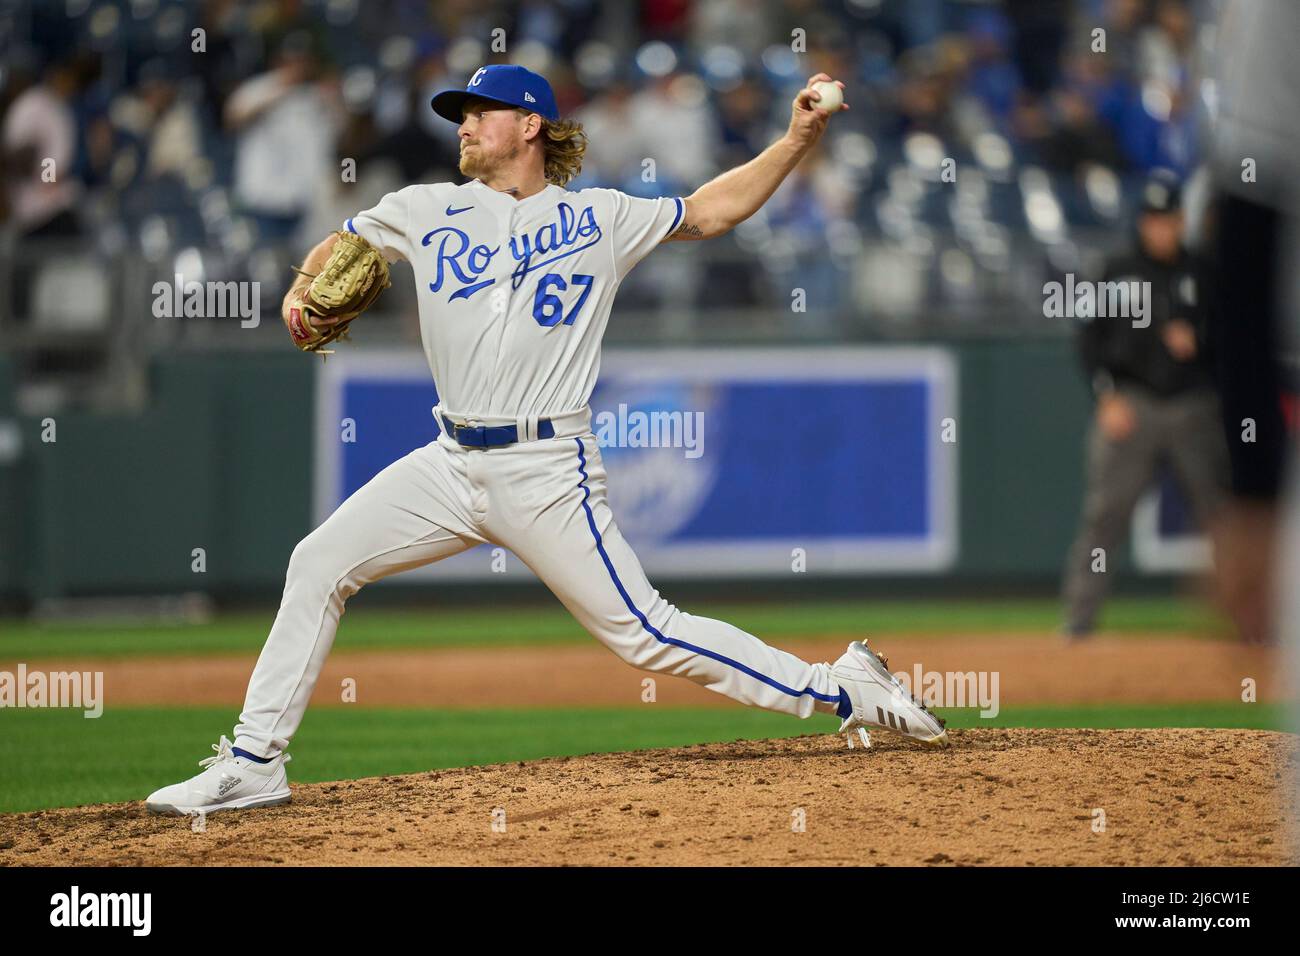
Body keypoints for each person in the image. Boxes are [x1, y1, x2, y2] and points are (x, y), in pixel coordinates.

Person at [145, 64, 948, 815]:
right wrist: (299, 288)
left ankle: (845, 688)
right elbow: (344, 247)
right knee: (317, 562)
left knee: (648, 635)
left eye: (477, 113)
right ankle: (255, 762)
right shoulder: (425, 206)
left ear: (529, 125)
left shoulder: (597, 217)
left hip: (546, 468)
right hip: (450, 460)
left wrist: (798, 138)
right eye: (458, 115)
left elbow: (713, 210)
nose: (462, 125)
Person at [1061, 170, 1228, 638]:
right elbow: (1088, 340)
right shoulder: (1117, 271)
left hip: (1192, 406)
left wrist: (1201, 340)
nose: (1160, 228)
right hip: (1131, 405)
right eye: (1152, 219)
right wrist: (1106, 394)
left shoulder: (1201, 271)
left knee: (1220, 515)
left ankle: (1247, 622)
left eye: (1168, 218)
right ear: (1141, 223)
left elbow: (1235, 342)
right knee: (1105, 516)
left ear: (1180, 221)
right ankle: (1077, 624)